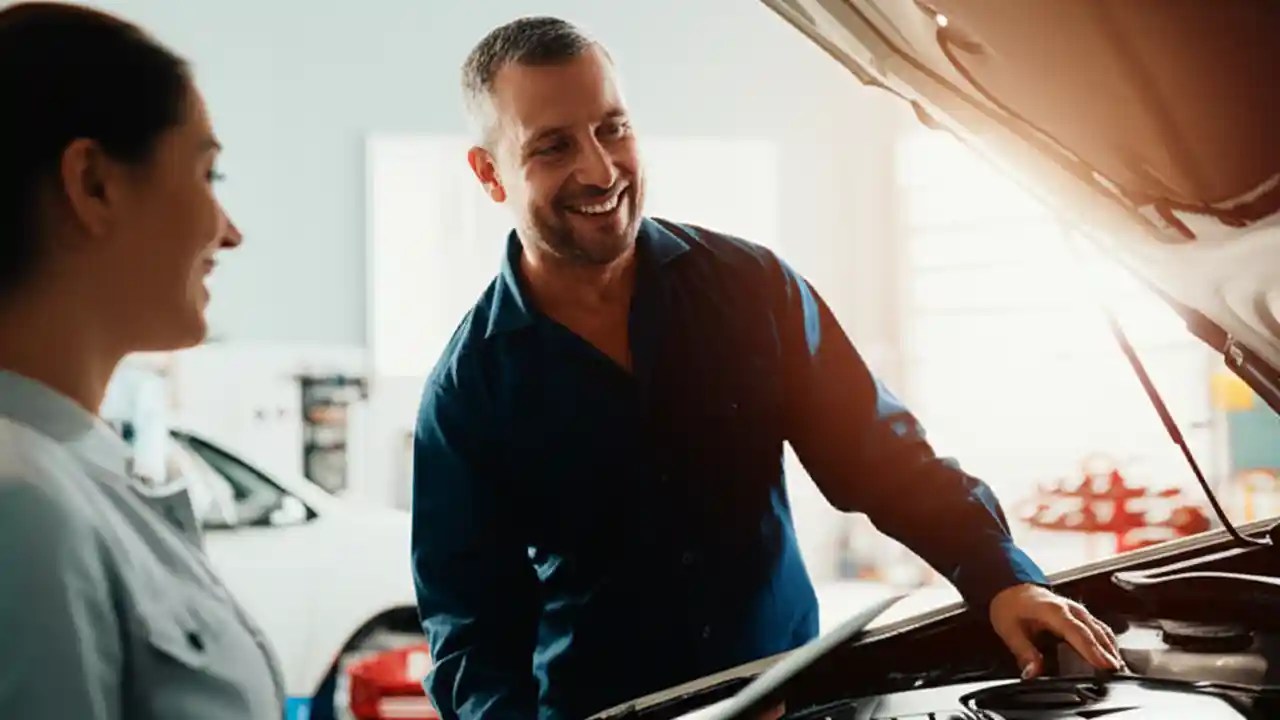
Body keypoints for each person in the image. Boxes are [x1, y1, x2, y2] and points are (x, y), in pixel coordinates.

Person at [411, 16, 1123, 720]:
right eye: (553, 146)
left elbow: (888, 464)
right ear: (489, 174)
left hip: (797, 702)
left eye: (613, 128)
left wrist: (1002, 580)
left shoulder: (753, 288)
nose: (599, 169)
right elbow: (473, 640)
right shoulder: (466, 394)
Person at [0, 3, 284, 718]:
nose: (231, 233)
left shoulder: (70, 475)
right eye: (208, 174)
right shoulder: (23, 512)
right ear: (93, 184)